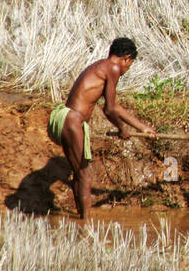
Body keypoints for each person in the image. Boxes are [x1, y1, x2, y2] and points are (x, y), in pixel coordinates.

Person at [48, 37, 157, 219]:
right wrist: (123, 129)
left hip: (63, 118)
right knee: (85, 173)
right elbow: (111, 108)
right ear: (126, 58)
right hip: (72, 120)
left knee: (79, 173)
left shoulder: (101, 66)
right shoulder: (112, 68)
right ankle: (86, 222)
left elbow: (112, 108)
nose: (126, 70)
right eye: (129, 66)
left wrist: (142, 127)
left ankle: (81, 217)